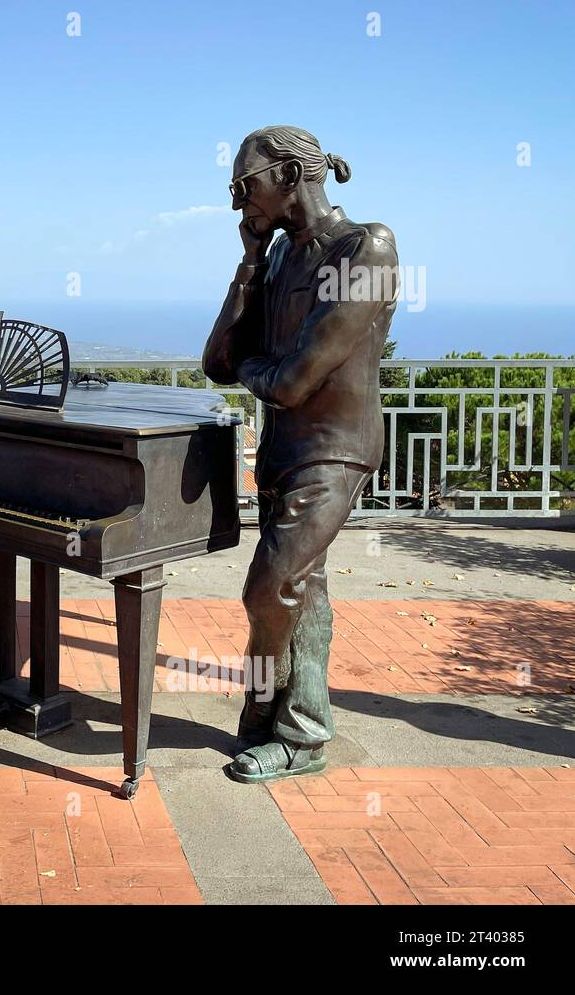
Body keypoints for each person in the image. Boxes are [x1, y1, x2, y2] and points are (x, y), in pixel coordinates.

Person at [203, 126, 398, 782]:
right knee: (302, 591)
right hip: (283, 448)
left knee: (269, 587)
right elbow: (218, 362)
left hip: (335, 450)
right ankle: (301, 730)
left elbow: (293, 381)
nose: (237, 203)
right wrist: (251, 264)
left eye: (243, 185)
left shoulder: (365, 247)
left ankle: (265, 706)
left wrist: (258, 369)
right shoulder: (282, 254)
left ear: (289, 175)